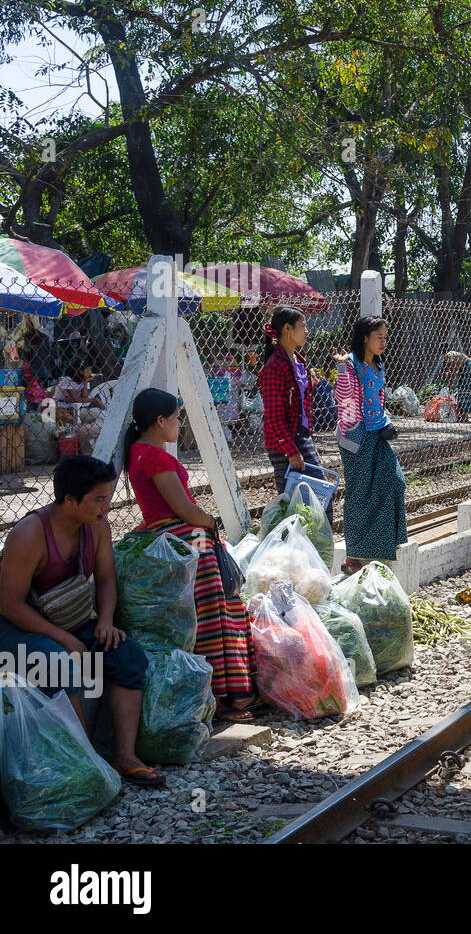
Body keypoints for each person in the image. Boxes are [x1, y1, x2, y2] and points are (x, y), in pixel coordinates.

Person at [0, 456, 163, 787]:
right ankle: (86, 760)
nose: (107, 505)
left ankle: (125, 756)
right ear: (69, 500)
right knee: (59, 664)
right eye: (99, 499)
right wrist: (61, 637)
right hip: (18, 627)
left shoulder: (98, 525)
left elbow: (105, 580)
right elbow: (9, 604)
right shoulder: (30, 534)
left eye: (108, 496)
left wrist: (104, 620)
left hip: (70, 620)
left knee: (127, 655)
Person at [124, 388, 258, 723]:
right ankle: (227, 695)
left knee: (205, 615)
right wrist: (211, 523)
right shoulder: (153, 456)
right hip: (185, 537)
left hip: (166, 535)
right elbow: (182, 508)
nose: (179, 423)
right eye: (176, 416)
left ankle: (221, 692)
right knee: (217, 612)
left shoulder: (139, 452)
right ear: (160, 421)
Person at [333, 316, 407, 574]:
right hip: (356, 437)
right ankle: (354, 557)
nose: (384, 342)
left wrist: (385, 422)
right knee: (360, 494)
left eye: (386, 338)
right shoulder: (350, 364)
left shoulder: (378, 364)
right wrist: (342, 369)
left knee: (394, 481)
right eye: (379, 337)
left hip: (376, 433)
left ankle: (380, 548)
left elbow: (379, 399)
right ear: (365, 337)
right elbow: (343, 399)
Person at [258, 305, 333, 523]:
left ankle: (310, 549)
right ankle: (296, 548)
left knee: (314, 498)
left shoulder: (298, 361)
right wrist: (291, 451)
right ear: (287, 329)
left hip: (301, 437)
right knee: (295, 502)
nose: (306, 330)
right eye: (302, 326)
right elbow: (273, 416)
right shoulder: (274, 367)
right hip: (286, 443)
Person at [444, 351, 471, 421]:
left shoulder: (451, 356)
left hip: (470, 369)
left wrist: (451, 384)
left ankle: (464, 414)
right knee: (469, 389)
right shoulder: (453, 355)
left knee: (465, 389)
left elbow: (455, 369)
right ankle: (467, 413)